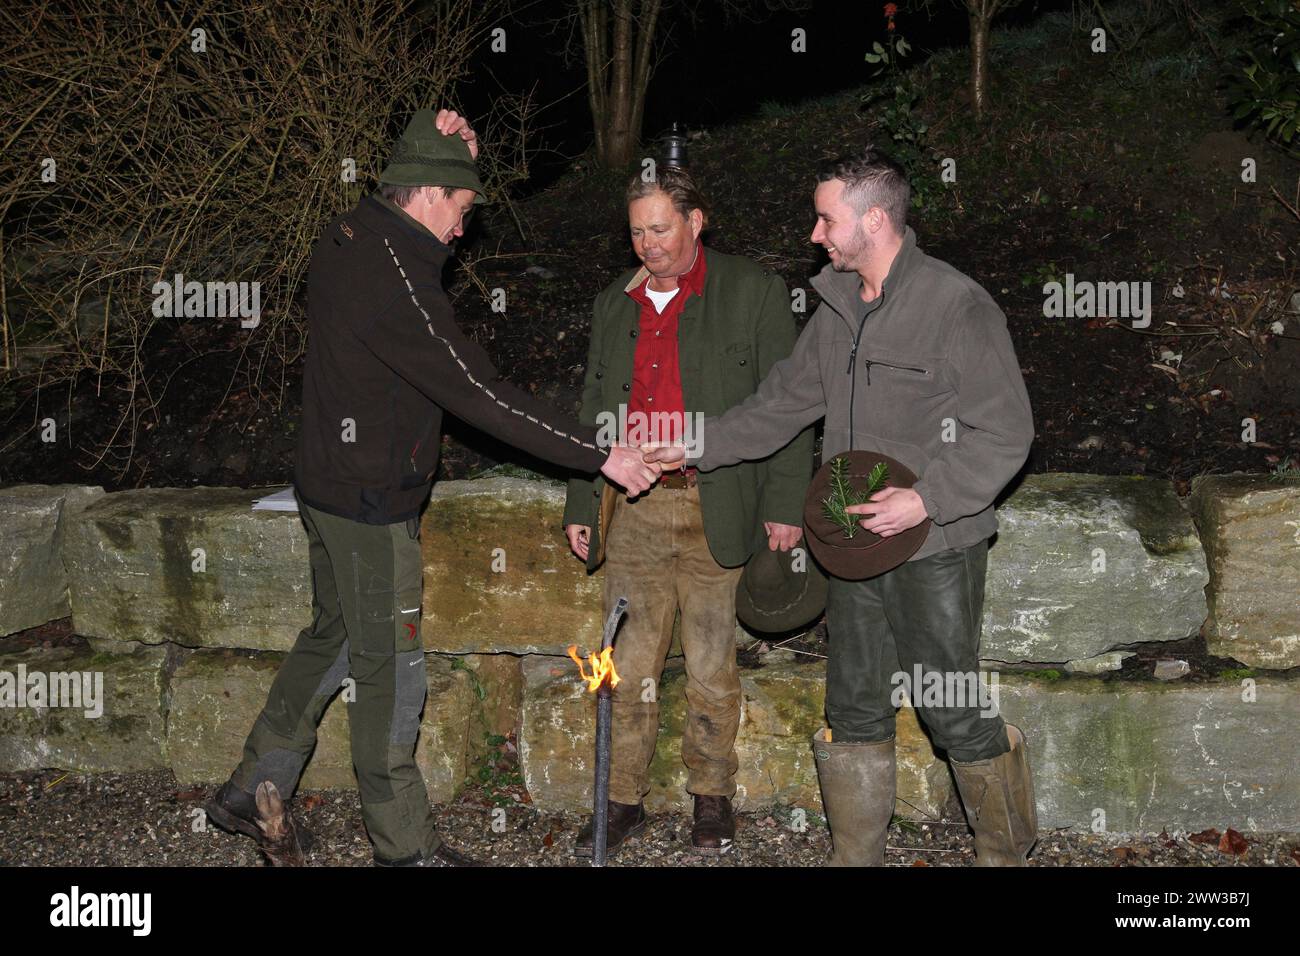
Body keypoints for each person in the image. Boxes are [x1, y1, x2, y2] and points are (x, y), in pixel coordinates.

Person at [205, 108, 660, 867]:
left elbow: (417, 192)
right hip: (369, 503)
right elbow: (480, 393)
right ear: (424, 197)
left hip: (326, 489)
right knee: (391, 673)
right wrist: (598, 452)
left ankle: (253, 786)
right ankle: (404, 847)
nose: (462, 229)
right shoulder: (394, 280)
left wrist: (441, 136)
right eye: (460, 207)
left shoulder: (350, 234)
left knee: (336, 637)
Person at [645, 146, 1039, 866]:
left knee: (952, 709)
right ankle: (854, 858)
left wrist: (927, 498)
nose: (815, 234)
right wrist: (691, 445)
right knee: (853, 708)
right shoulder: (836, 311)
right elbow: (779, 406)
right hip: (851, 550)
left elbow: (1008, 430)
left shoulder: (957, 306)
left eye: (826, 219)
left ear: (875, 218)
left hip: (936, 549)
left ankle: (1006, 855)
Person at [563, 167, 813, 856]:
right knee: (624, 664)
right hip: (633, 509)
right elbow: (591, 407)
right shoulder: (614, 303)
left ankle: (712, 797)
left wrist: (785, 504)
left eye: (661, 228)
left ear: (696, 221)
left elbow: (788, 407)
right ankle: (619, 800)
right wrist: (582, 499)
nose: (648, 244)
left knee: (711, 665)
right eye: (637, 231)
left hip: (719, 505)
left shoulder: (754, 294)